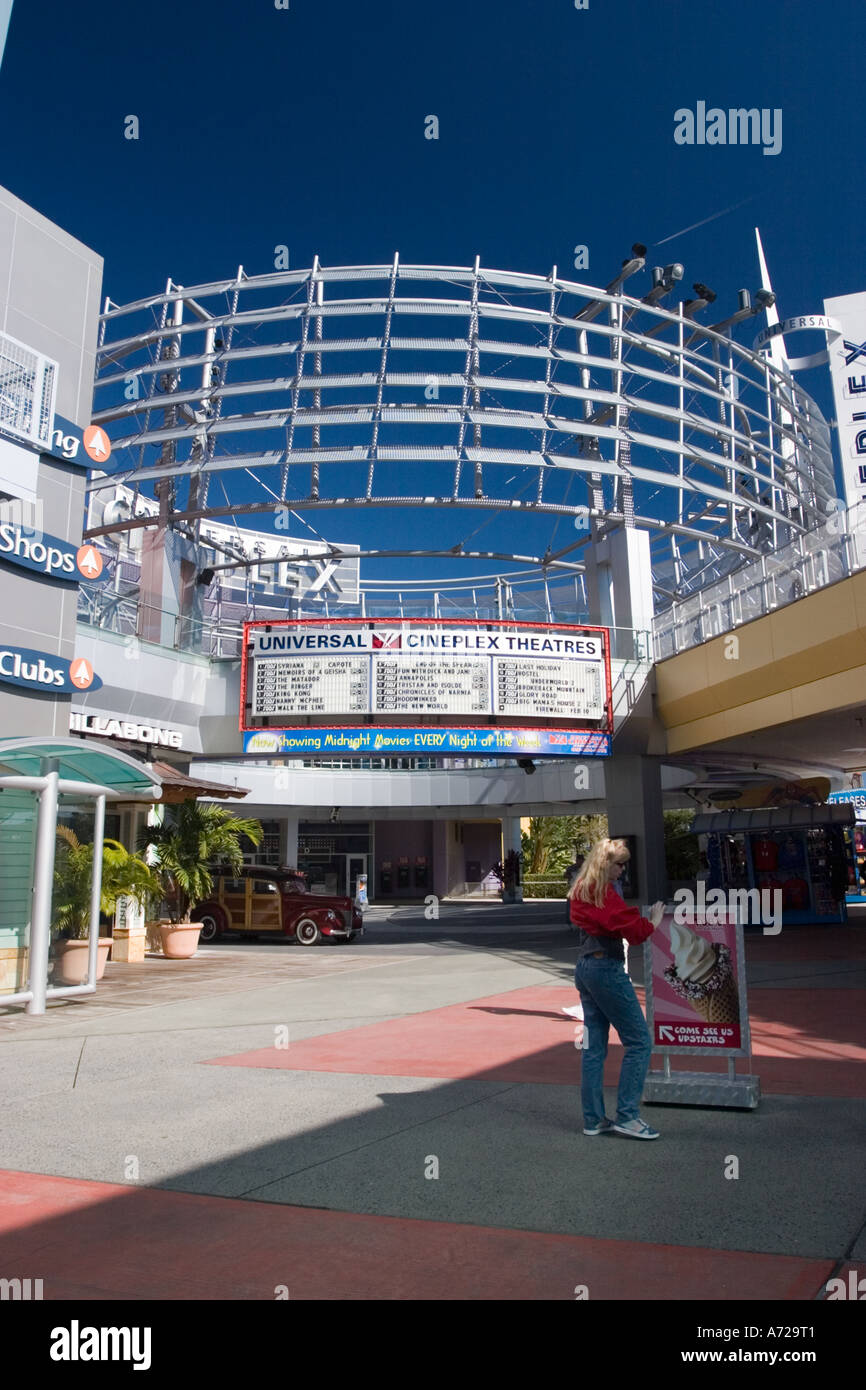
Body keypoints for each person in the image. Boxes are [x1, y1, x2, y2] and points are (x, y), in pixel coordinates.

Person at [569, 837, 665, 1140]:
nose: (623, 869)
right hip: (605, 968)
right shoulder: (603, 893)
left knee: (594, 1048)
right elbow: (634, 932)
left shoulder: (582, 888)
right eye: (619, 863)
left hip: (585, 967)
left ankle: (594, 1119)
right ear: (605, 863)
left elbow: (612, 920)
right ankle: (628, 1116)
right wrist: (653, 922)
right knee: (639, 1042)